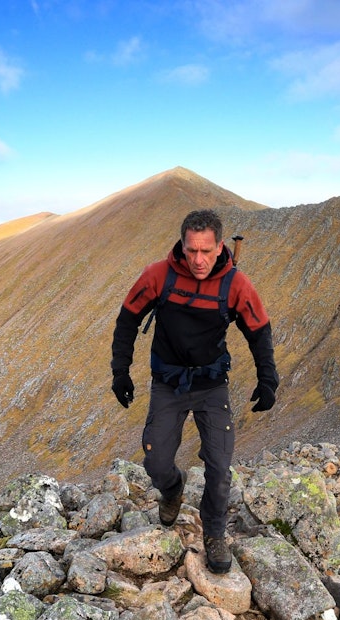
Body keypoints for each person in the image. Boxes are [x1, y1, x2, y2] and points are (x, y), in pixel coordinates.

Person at [111, 209, 279, 574]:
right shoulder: (159, 275)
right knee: (156, 462)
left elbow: (259, 331)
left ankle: (215, 534)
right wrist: (120, 371)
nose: (199, 260)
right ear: (182, 246)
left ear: (221, 246)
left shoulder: (236, 284)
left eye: (206, 251)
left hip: (211, 385)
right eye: (191, 251)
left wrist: (268, 380)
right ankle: (173, 488)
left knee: (220, 468)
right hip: (168, 383)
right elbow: (128, 319)